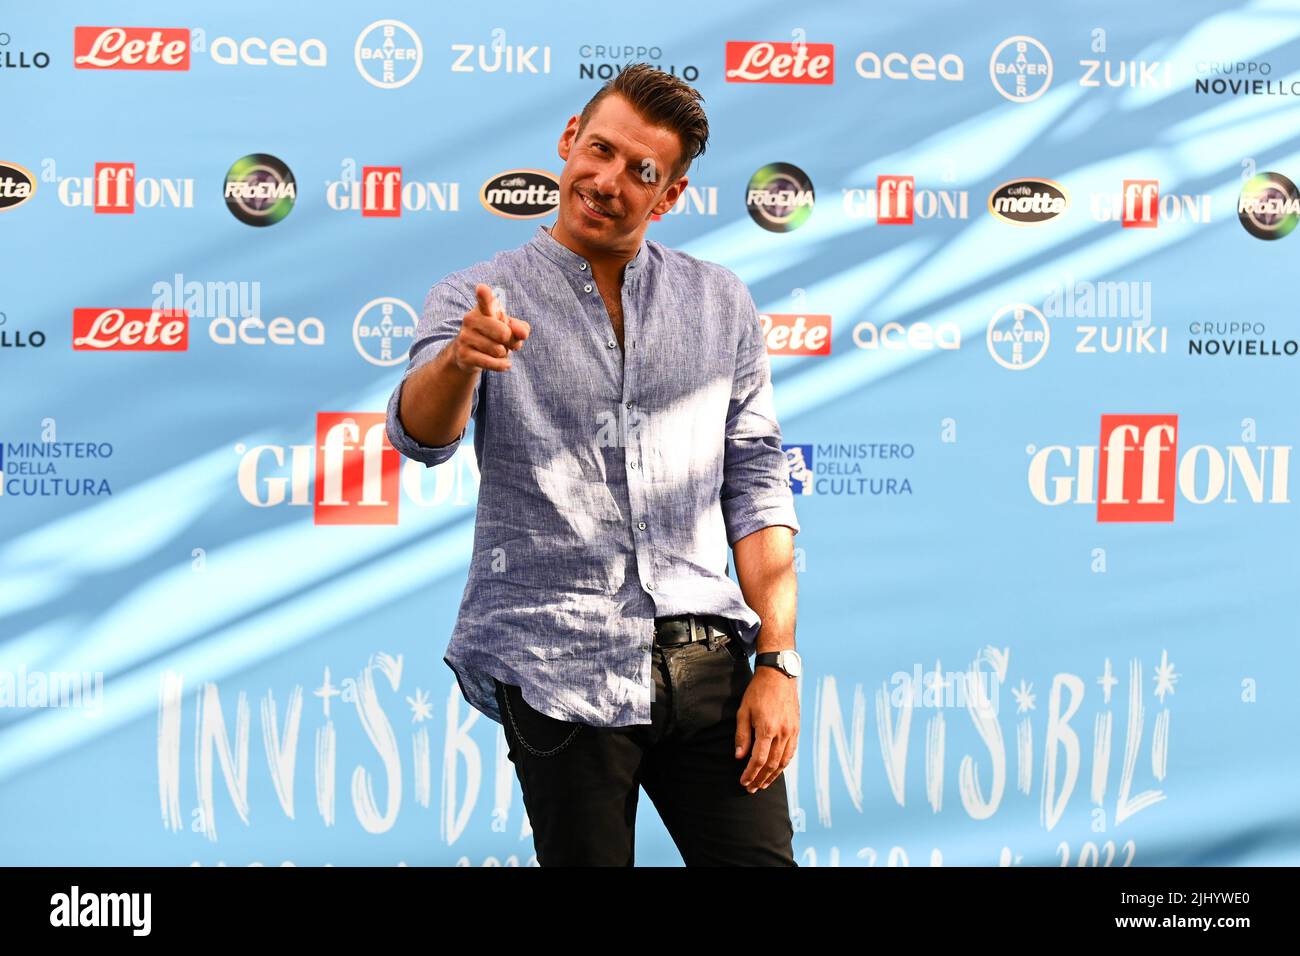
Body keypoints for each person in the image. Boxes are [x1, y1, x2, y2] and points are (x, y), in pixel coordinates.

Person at [385, 62, 802, 866]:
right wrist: (461, 362)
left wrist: (778, 660)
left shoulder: (722, 302)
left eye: (640, 170)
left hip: (709, 662)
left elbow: (755, 485)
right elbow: (421, 435)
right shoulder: (478, 292)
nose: (608, 180)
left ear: (669, 194)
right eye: (599, 150)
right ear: (569, 140)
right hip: (555, 666)